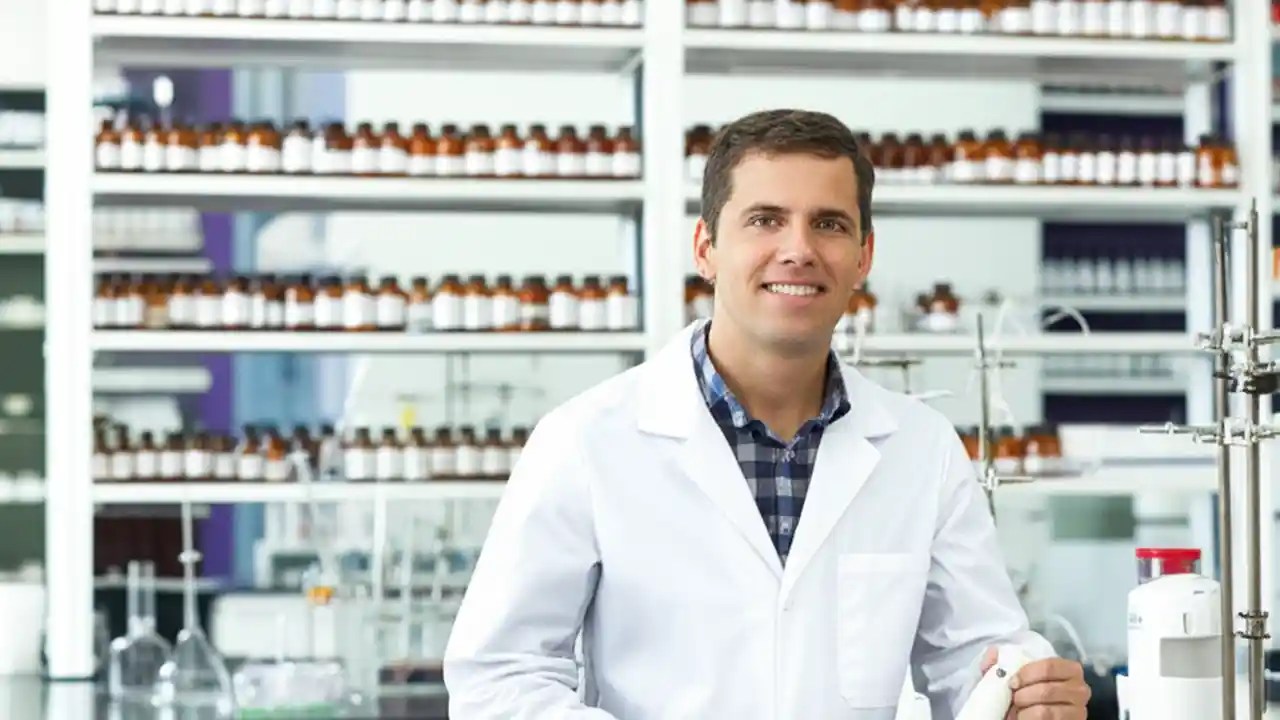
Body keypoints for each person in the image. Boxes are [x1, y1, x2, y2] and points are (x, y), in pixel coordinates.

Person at [443, 109, 1091, 719]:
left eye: (829, 224)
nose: (798, 249)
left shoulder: (923, 449)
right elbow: (499, 678)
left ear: (863, 256)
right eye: (764, 219)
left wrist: (1028, 693)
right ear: (706, 249)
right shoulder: (587, 439)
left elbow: (975, 661)